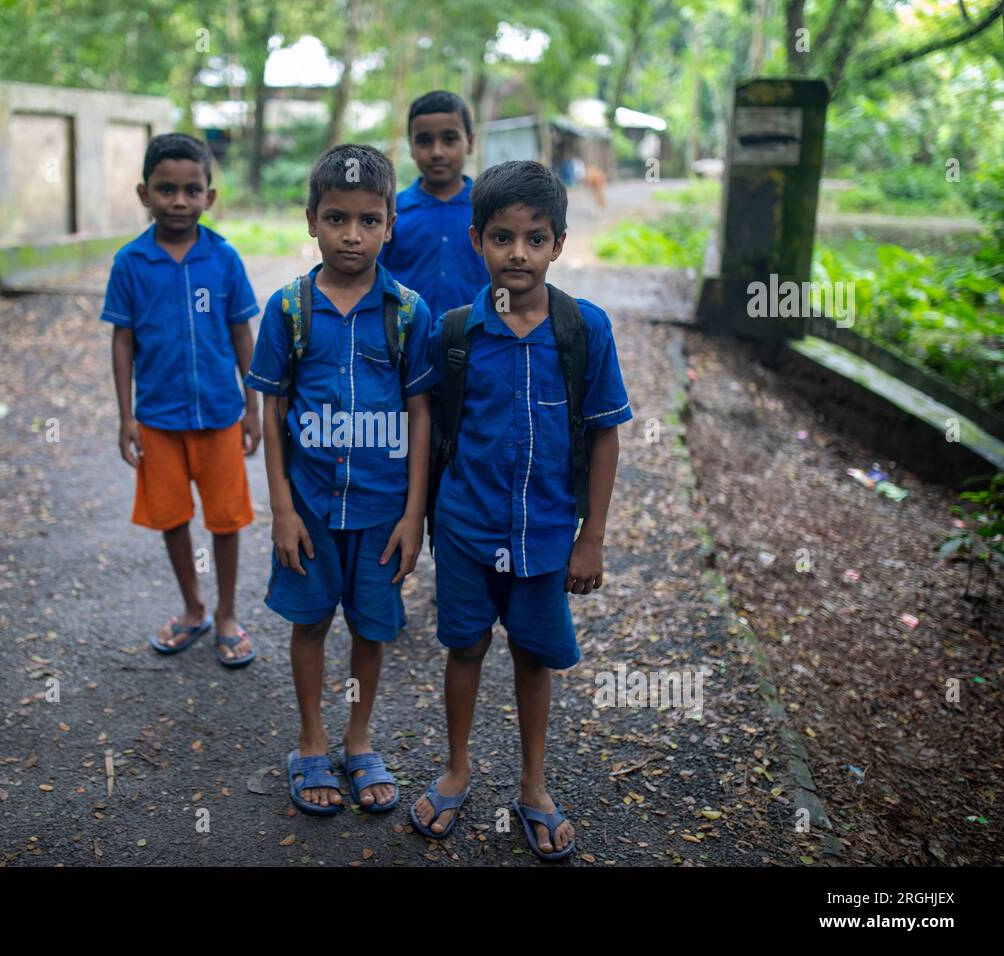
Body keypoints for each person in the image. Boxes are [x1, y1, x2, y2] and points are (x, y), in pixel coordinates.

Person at [411, 160, 632, 860]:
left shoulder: (584, 331)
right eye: (502, 237)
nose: (517, 254)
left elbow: (604, 434)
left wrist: (590, 537)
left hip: (543, 536)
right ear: (477, 240)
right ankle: (456, 768)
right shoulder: (453, 334)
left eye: (535, 239)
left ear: (559, 243)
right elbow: (429, 431)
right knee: (465, 647)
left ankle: (534, 785)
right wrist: (418, 523)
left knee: (534, 657)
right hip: (467, 531)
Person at [245, 144, 438, 815]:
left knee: (371, 629)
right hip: (310, 509)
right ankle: (311, 739)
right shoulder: (289, 309)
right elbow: (271, 410)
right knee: (308, 624)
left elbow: (420, 414)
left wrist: (415, 515)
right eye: (335, 219)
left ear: (390, 224)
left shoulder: (410, 313)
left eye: (367, 220)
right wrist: (281, 508)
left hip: (383, 512)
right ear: (310, 221)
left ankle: (358, 739)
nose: (351, 235)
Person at [100, 132, 261, 668]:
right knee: (171, 516)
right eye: (166, 189)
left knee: (227, 519)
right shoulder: (130, 263)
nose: (178, 201)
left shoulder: (224, 259)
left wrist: (253, 404)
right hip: (159, 419)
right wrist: (127, 416)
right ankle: (194, 609)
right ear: (144, 193)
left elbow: (243, 333)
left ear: (209, 197)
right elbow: (122, 340)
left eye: (192, 190)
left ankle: (228, 612)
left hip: (219, 414)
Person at [378, 90, 489, 317]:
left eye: (449, 139)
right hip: (404, 343)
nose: (437, 152)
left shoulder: (492, 209)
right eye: (425, 141)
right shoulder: (389, 212)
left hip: (477, 340)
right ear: (411, 146)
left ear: (469, 142)